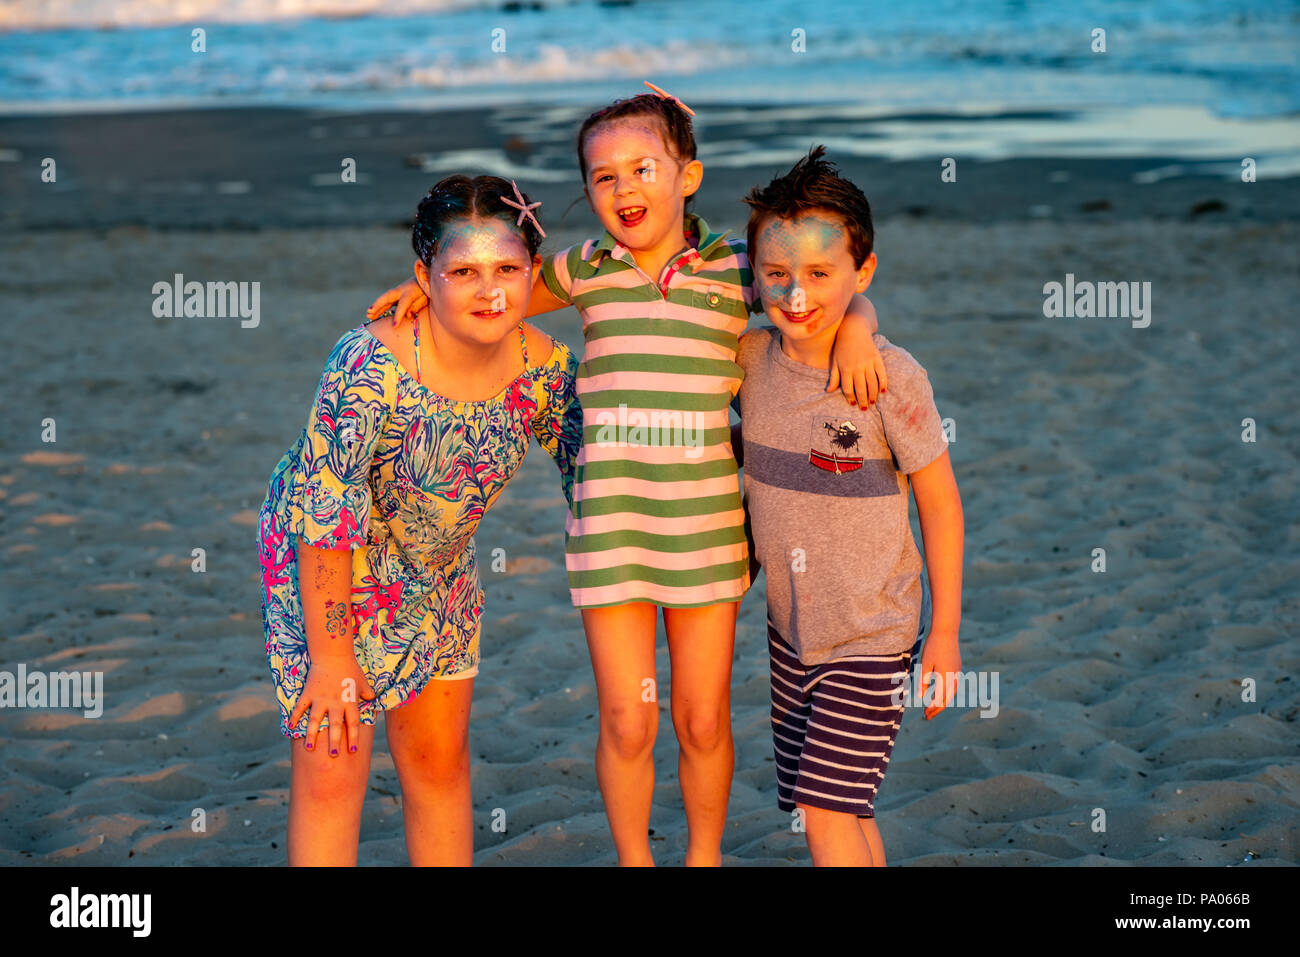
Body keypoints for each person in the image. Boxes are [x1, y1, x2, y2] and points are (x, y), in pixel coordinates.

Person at [368, 82, 888, 866]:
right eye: (603, 178)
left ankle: (702, 857)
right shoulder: (583, 268)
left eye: (644, 168)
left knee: (703, 718)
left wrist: (859, 325)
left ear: (688, 177)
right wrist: (426, 286)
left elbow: (815, 284)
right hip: (610, 532)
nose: (624, 189)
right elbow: (499, 286)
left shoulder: (738, 267)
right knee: (627, 719)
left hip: (707, 534)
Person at [257, 175, 581, 866]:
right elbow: (324, 515)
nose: (489, 291)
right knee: (335, 756)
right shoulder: (369, 363)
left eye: (507, 270)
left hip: (440, 561)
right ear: (423, 277)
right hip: (329, 564)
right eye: (462, 271)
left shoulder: (546, 371)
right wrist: (335, 657)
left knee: (438, 761)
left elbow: (600, 465)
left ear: (533, 274)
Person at [732, 146, 965, 866]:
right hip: (791, 633)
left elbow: (941, 502)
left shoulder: (888, 377)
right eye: (777, 274)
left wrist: (947, 633)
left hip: (874, 633)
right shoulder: (747, 359)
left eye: (821, 275)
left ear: (863, 272)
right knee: (840, 805)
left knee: (825, 811)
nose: (796, 295)